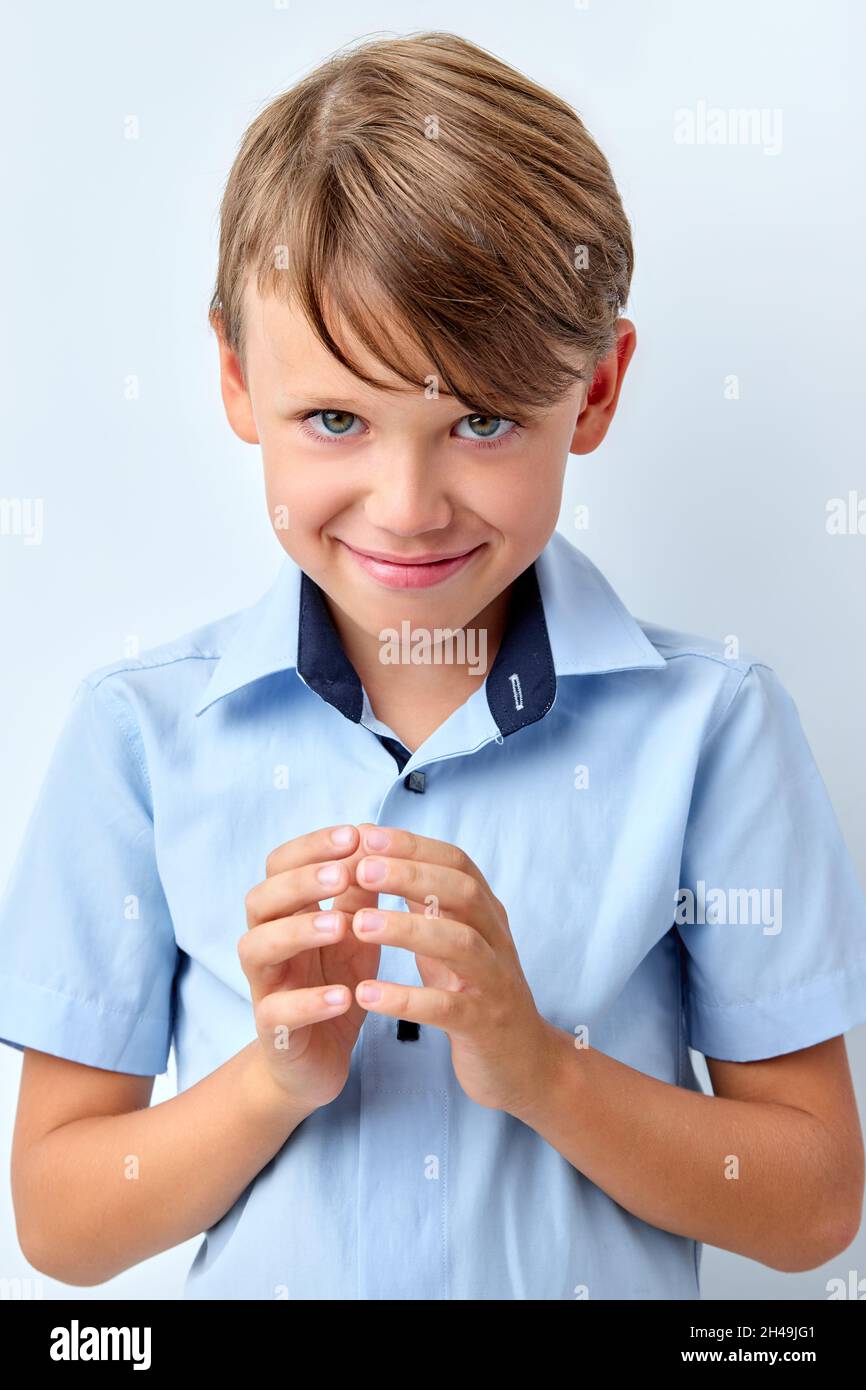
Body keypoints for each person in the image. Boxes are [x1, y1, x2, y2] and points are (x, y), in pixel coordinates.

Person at [2, 30, 865, 1300]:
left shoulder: (713, 727)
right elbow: (61, 1229)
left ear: (597, 389)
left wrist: (539, 1069)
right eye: (335, 419)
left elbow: (810, 1206)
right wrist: (272, 1081)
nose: (406, 507)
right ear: (239, 381)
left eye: (480, 421)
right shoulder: (139, 736)